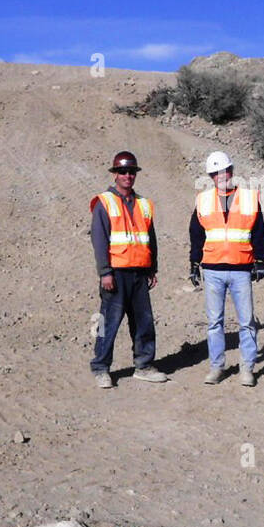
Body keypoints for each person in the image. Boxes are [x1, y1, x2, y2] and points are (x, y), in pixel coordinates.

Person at [89, 151, 168, 388]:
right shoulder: (104, 202)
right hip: (116, 273)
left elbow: (150, 238)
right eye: (122, 171)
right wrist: (105, 272)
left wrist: (152, 268)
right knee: (109, 323)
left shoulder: (143, 204)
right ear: (115, 174)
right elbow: (99, 240)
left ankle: (143, 365)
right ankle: (101, 368)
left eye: (131, 172)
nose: (127, 176)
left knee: (144, 323)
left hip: (140, 273)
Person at [189, 151, 264, 387]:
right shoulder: (202, 200)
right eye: (216, 173)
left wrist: (260, 261)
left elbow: (259, 233)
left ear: (231, 172)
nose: (221, 176)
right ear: (211, 176)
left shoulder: (249, 198)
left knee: (246, 322)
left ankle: (247, 368)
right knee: (215, 322)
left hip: (241, 269)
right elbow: (196, 235)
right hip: (212, 269)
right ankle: (217, 367)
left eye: (225, 171)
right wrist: (194, 265)